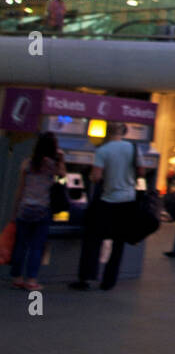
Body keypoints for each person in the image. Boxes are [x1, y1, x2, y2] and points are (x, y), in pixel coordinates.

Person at [70, 123, 145, 291]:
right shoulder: (134, 148)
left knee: (93, 238)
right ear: (123, 132)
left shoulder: (103, 151)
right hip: (127, 201)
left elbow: (96, 177)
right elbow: (141, 172)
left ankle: (86, 278)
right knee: (118, 243)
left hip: (107, 201)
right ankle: (109, 281)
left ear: (107, 133)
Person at [9, 132, 65, 289]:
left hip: (25, 208)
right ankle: (31, 280)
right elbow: (63, 175)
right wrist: (61, 157)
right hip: (42, 209)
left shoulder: (27, 163)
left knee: (21, 244)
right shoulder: (52, 165)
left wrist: (15, 211)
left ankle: (17, 277)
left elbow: (20, 189)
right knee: (36, 246)